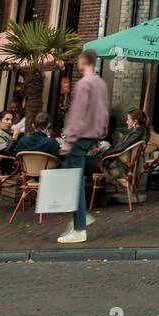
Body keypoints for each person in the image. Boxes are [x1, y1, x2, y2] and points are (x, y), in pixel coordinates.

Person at [57, 51, 110, 245]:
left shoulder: (83, 84)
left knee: (74, 182)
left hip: (79, 138)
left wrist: (68, 140)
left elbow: (77, 114)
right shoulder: (101, 83)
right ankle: (80, 217)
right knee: (68, 176)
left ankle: (80, 227)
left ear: (82, 62)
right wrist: (97, 138)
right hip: (92, 136)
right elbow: (104, 113)